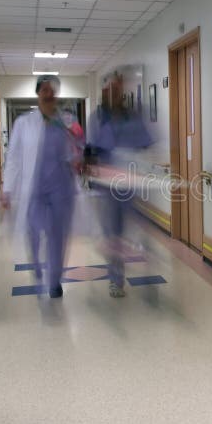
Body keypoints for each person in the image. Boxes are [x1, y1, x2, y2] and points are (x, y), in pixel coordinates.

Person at [2, 75, 76, 298]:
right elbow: (14, 157)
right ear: (38, 94)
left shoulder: (66, 121)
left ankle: (54, 281)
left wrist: (78, 158)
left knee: (56, 234)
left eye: (52, 90)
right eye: (44, 89)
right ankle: (36, 263)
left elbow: (76, 149)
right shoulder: (24, 123)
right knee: (33, 231)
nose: (49, 93)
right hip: (34, 189)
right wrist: (7, 189)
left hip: (60, 187)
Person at [85, 76, 153, 298]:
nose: (114, 92)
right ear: (105, 91)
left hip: (129, 183)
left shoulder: (132, 116)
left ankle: (138, 257)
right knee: (112, 232)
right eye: (110, 89)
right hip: (107, 186)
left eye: (118, 88)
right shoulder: (98, 118)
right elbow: (91, 149)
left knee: (127, 228)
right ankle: (116, 279)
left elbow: (144, 143)